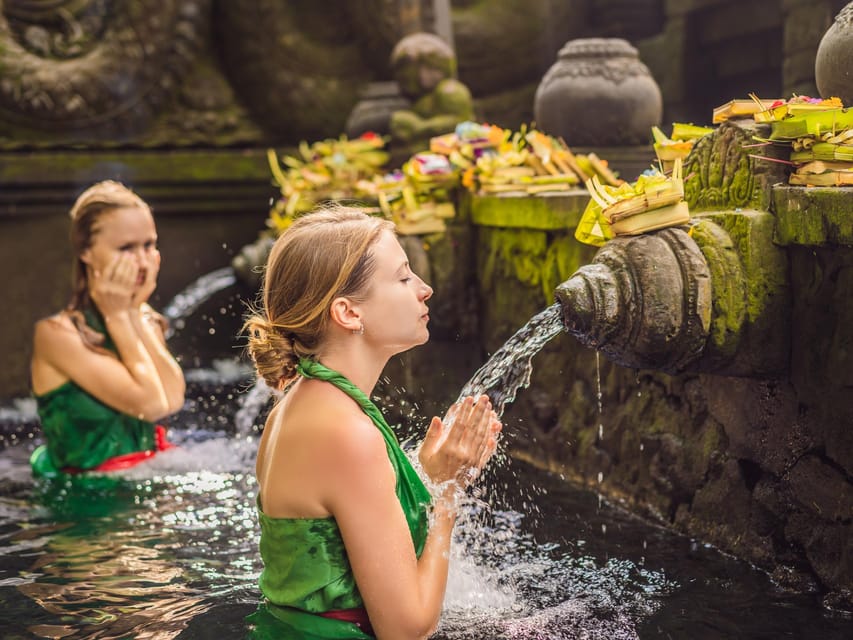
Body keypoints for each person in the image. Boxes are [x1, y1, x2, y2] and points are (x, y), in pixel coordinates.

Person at [243, 206, 502, 640]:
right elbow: (406, 629)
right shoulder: (347, 433)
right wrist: (449, 492)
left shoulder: (303, 405)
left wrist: (430, 475)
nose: (425, 289)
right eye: (403, 278)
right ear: (348, 313)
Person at [29, 180, 186, 477]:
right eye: (126, 248)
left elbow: (172, 399)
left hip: (143, 482)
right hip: (81, 495)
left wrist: (132, 313)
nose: (142, 261)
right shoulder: (57, 335)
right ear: (86, 251)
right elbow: (151, 405)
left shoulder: (144, 318)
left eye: (149, 245)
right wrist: (117, 316)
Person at [389, 32, 475, 151]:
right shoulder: (422, 99)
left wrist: (417, 127)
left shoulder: (449, 90)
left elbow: (460, 122)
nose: (400, 75)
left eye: (404, 66)